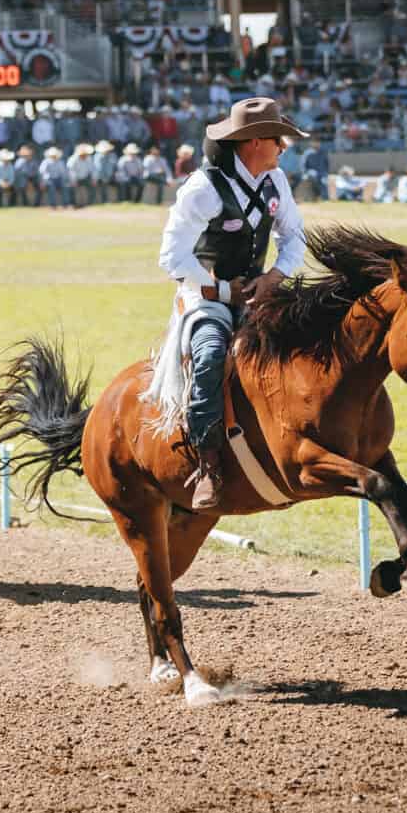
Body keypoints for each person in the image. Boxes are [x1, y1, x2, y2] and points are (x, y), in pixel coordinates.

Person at [151, 97, 307, 510]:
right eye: (279, 139)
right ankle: (208, 464)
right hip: (204, 297)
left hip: (259, 292)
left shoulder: (278, 182)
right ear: (254, 142)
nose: (283, 148)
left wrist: (275, 277)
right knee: (209, 357)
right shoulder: (202, 189)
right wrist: (223, 291)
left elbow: (294, 237)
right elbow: (171, 258)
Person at [39, 145, 70, 210]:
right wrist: (43, 182)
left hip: (59, 179)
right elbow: (42, 172)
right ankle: (53, 205)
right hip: (49, 179)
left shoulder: (61, 162)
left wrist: (66, 180)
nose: (54, 156)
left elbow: (63, 173)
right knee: (51, 188)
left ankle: (66, 204)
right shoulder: (46, 162)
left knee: (64, 186)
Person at [67, 143, 95, 208]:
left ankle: (90, 203)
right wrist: (74, 180)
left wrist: (94, 179)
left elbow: (92, 170)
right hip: (74, 178)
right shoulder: (73, 159)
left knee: (92, 187)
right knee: (71, 188)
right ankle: (73, 204)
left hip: (85, 177)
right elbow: (71, 171)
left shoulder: (89, 158)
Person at [92, 139, 118, 205]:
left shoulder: (113, 156)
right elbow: (98, 169)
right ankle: (103, 201)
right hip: (99, 176)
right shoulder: (97, 157)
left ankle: (119, 200)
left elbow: (114, 167)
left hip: (111, 176)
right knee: (103, 183)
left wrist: (112, 175)